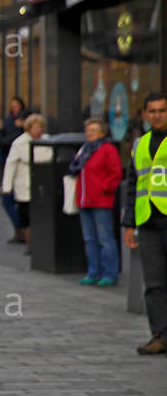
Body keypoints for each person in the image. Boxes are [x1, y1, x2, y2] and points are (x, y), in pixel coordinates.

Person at [122, 92, 167, 355]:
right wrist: (129, 224)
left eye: (162, 110)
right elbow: (133, 186)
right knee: (153, 284)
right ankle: (160, 335)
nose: (157, 115)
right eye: (152, 111)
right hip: (148, 222)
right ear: (144, 114)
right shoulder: (139, 145)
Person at [71, 117, 122, 287]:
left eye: (93, 130)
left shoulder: (107, 149)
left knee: (105, 239)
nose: (89, 133)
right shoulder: (84, 149)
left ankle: (109, 273)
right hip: (85, 200)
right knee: (89, 238)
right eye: (87, 130)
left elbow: (115, 174)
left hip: (101, 201)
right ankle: (93, 272)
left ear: (102, 132)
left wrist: (102, 188)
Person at [1, 113, 46, 251]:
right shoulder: (20, 143)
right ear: (28, 128)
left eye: (39, 127)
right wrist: (6, 186)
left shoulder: (47, 141)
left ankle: (39, 243)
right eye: (34, 127)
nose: (37, 130)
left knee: (40, 215)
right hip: (24, 185)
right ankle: (29, 244)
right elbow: (10, 165)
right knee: (26, 215)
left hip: (43, 186)